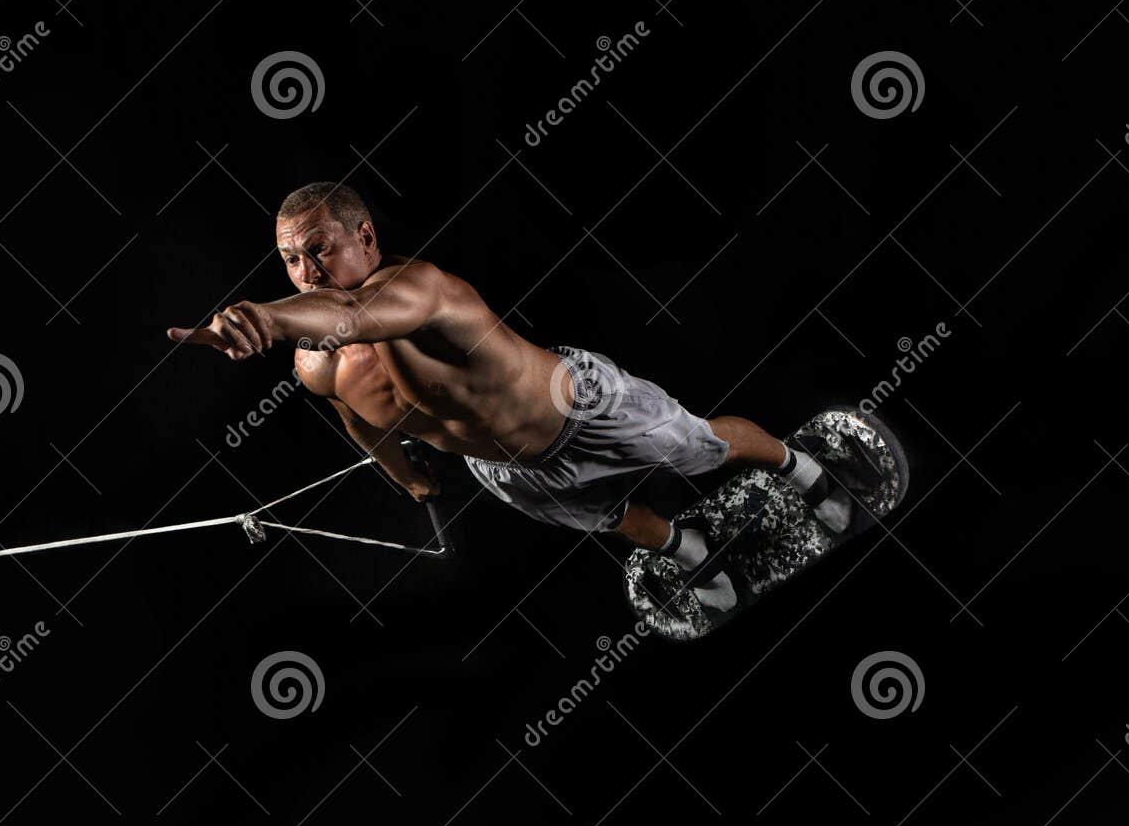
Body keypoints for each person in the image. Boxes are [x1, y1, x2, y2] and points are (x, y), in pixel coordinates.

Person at [167, 183, 851, 610]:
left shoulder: (422, 290)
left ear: (365, 236)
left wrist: (270, 314)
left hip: (578, 408)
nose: (308, 272)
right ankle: (689, 550)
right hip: (507, 468)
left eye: (321, 250)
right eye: (292, 260)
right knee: (611, 517)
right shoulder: (317, 366)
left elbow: (356, 317)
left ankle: (800, 467)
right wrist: (406, 479)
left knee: (703, 448)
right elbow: (359, 422)